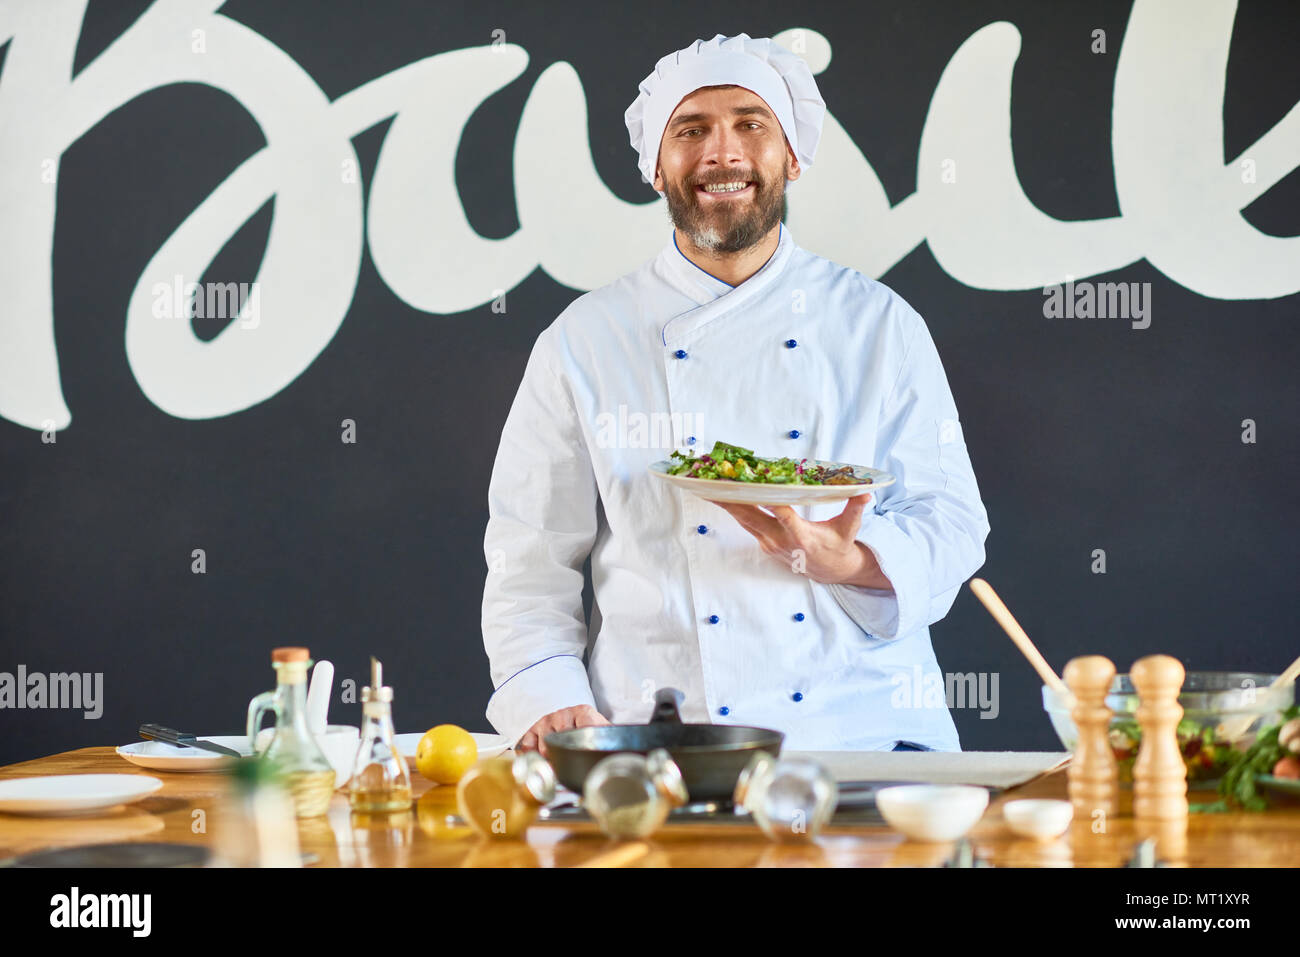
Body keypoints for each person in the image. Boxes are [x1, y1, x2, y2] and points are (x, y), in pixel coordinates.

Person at [481, 33, 989, 756]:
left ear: (793, 156)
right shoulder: (583, 340)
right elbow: (529, 555)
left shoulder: (878, 324)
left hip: (862, 732)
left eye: (751, 123)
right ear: (656, 167)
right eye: (691, 130)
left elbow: (951, 520)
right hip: (658, 737)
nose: (723, 152)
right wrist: (550, 693)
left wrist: (850, 562)